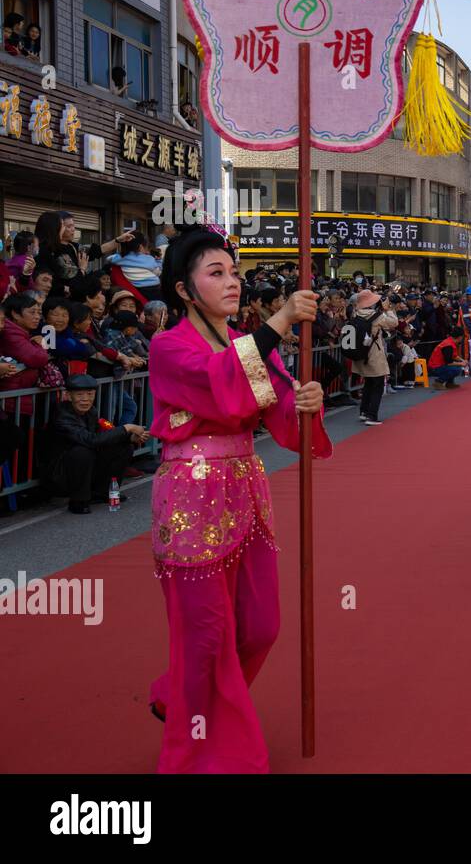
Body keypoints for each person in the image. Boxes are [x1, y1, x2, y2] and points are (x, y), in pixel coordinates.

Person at [147, 222, 331, 773]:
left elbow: (276, 410)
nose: (232, 283)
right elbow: (221, 384)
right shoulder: (168, 346)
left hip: (246, 490)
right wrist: (279, 321)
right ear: (184, 289)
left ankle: (180, 700)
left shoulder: (244, 344)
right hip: (189, 495)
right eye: (216, 273)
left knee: (259, 625)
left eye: (234, 273)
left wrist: (306, 400)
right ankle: (207, 751)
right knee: (206, 636)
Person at [42, 374, 145, 513]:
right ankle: (79, 500)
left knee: (123, 447)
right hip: (60, 472)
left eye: (90, 394)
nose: (85, 399)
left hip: (84, 464)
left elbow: (100, 436)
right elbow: (90, 440)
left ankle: (103, 492)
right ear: (68, 395)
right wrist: (126, 428)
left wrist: (129, 438)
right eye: (79, 395)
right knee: (82, 451)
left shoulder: (91, 411)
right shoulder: (62, 415)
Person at [34, 211, 134, 299]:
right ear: (55, 227)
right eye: (67, 226)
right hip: (54, 300)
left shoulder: (74, 247)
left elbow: (99, 250)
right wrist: (81, 270)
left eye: (73, 225)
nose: (73, 229)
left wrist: (118, 240)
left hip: (74, 299)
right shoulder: (43, 250)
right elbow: (43, 278)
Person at [352, 290, 398, 425]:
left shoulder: (355, 314)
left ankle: (364, 411)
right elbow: (394, 323)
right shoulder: (376, 316)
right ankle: (372, 416)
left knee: (368, 383)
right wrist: (388, 309)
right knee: (377, 384)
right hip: (373, 355)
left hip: (361, 354)